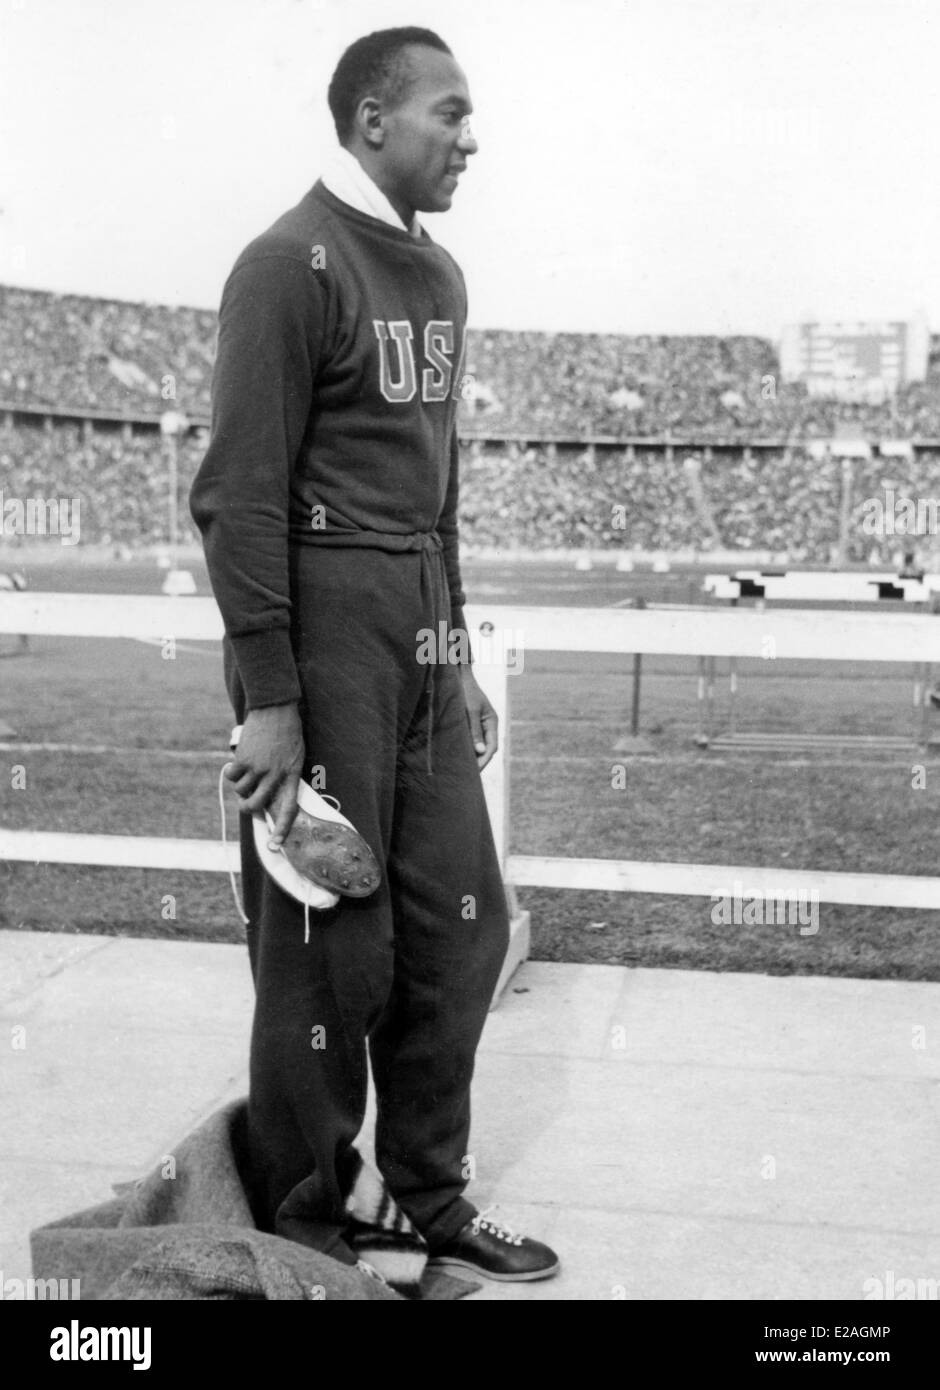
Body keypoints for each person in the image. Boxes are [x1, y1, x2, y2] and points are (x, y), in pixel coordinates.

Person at [190, 26, 559, 1284]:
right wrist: (274, 702)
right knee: (327, 949)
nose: (470, 139)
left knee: (462, 929)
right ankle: (300, 1224)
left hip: (415, 625)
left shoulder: (442, 277)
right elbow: (236, 496)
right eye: (449, 114)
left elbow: (439, 494)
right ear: (369, 121)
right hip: (319, 620)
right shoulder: (285, 265)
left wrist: (451, 655)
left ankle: (429, 1196)